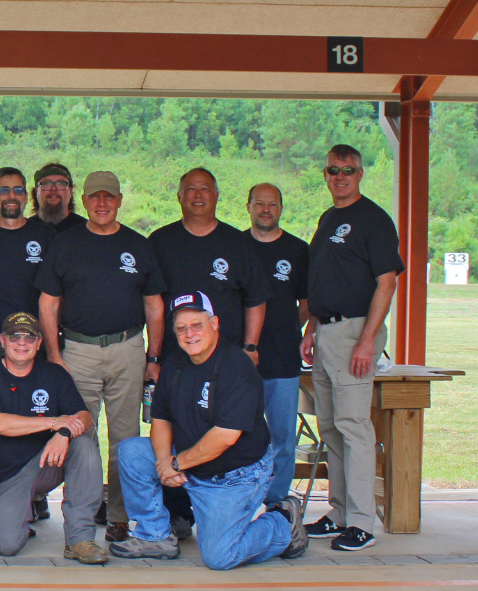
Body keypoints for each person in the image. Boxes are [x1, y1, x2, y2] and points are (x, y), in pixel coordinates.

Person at [111, 292, 307, 569]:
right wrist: (164, 461)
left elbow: (225, 437)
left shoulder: (236, 366)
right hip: (191, 462)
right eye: (181, 328)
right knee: (132, 451)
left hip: (234, 474)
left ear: (214, 323)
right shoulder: (175, 365)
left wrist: (176, 464)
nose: (189, 333)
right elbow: (161, 419)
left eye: (197, 325)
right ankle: (154, 536)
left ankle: (282, 523)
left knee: (220, 556)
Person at [35, 171, 165, 544]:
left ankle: (120, 516)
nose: (102, 203)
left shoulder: (138, 245)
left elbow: (154, 306)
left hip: (127, 349)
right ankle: (80, 517)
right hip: (78, 351)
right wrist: (55, 355)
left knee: (126, 439)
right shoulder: (66, 244)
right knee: (80, 436)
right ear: (85, 201)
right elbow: (49, 302)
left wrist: (153, 357)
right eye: (95, 197)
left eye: (109, 197)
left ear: (120, 200)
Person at [148, 167, 270, 536]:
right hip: (176, 361)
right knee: (172, 428)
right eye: (190, 189)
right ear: (179, 196)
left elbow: (256, 298)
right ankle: (176, 515)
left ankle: (250, 507)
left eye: (205, 189)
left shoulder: (237, 242)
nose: (197, 195)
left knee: (219, 431)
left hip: (225, 361)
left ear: (217, 196)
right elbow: (152, 302)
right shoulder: (160, 241)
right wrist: (153, 357)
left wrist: (250, 347)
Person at [300, 144, 405, 551]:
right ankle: (339, 512)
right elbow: (323, 280)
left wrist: (367, 341)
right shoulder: (329, 218)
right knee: (331, 429)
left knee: (354, 428)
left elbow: (387, 282)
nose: (340, 176)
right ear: (324, 175)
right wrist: (311, 328)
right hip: (326, 332)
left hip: (355, 333)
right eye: (332, 169)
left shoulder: (373, 219)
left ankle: (362, 522)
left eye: (348, 169)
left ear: (360, 174)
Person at [0, 313, 103, 562]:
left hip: (44, 465)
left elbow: (84, 417)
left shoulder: (54, 374)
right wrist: (53, 423)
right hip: (4, 477)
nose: (22, 343)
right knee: (8, 545)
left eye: (29, 337)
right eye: (15, 336)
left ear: (40, 342)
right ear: (2, 340)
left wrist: (63, 433)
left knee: (83, 447)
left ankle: (80, 540)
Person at [246, 183, 309, 508]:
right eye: (260, 204)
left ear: (281, 208)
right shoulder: (237, 245)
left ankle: (276, 503)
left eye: (272, 204)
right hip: (243, 360)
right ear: (249, 207)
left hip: (284, 358)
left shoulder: (298, 250)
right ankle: (242, 498)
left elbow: (307, 301)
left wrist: (288, 327)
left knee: (283, 437)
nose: (266, 210)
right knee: (239, 434)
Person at [0, 167, 55, 364]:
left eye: (18, 190)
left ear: (27, 197)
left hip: (35, 342)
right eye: (4, 190)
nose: (12, 196)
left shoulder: (46, 236)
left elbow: (56, 294)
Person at [31, 163, 87, 233]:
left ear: (70, 191)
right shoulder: (25, 231)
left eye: (61, 184)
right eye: (47, 184)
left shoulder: (86, 230)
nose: (53, 189)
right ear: (36, 191)